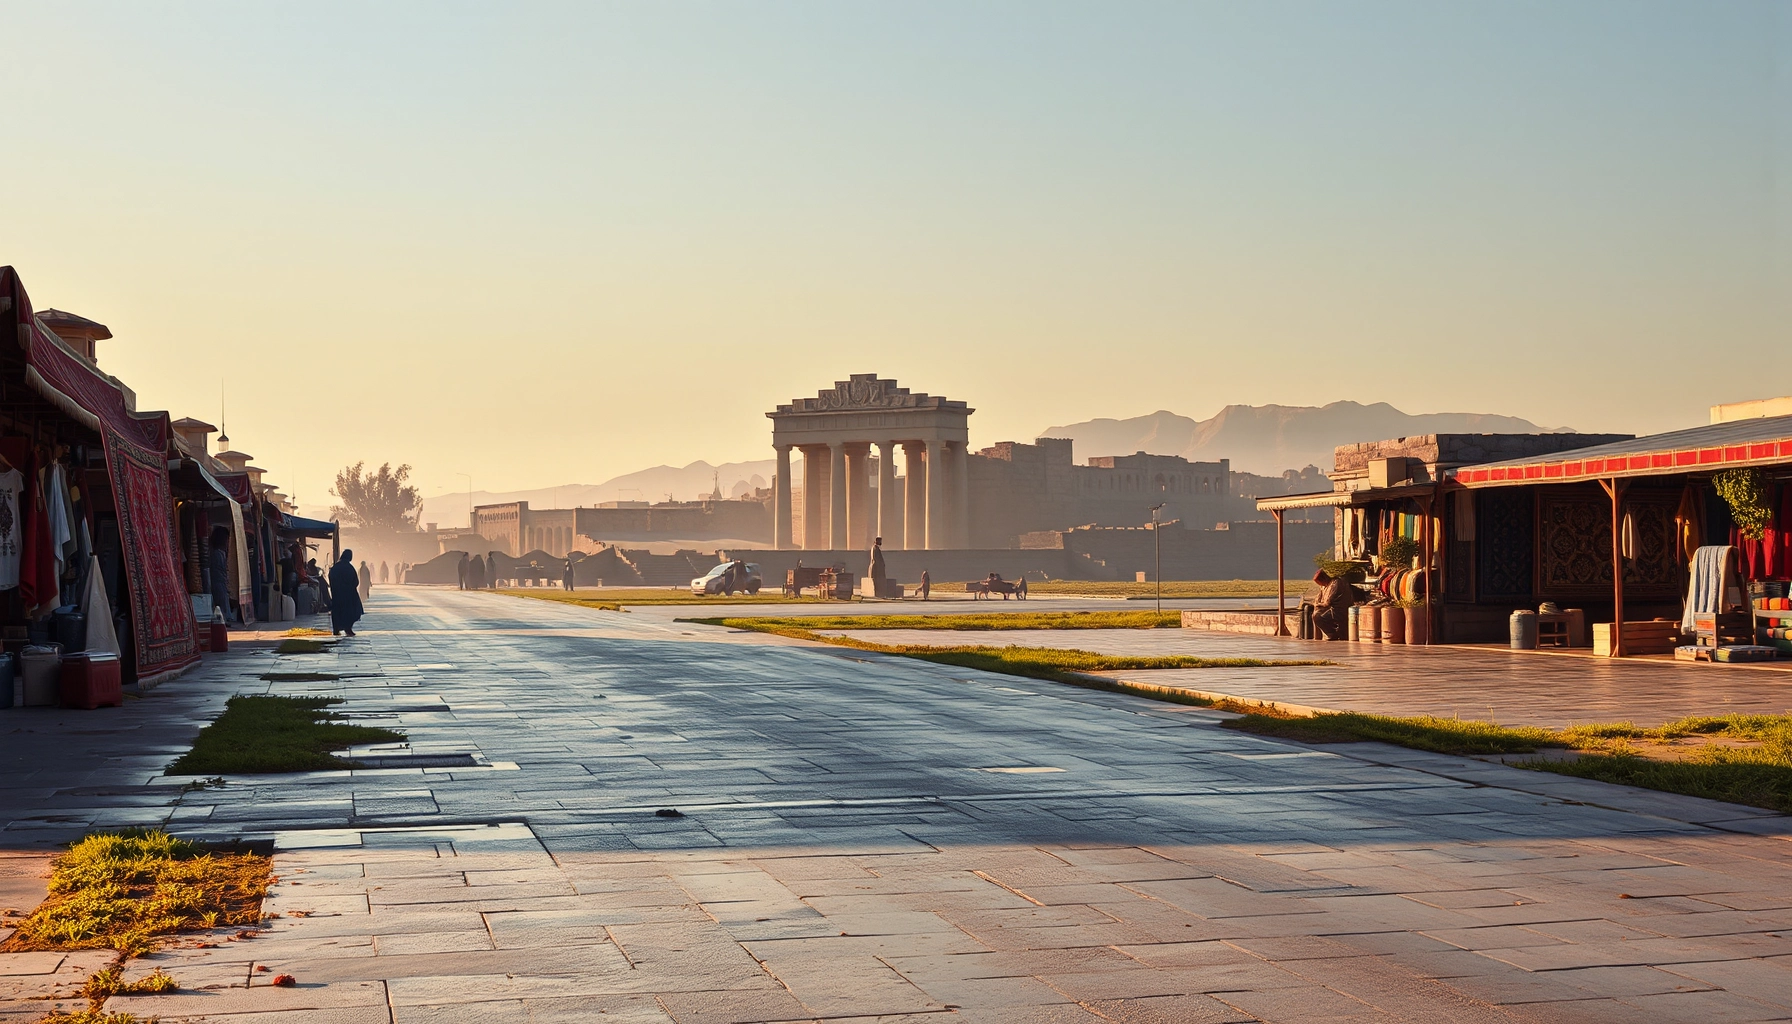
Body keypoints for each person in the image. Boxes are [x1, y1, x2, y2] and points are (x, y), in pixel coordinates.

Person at [1311, 569, 1357, 641]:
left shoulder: (1336, 583)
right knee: (1313, 612)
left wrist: (1318, 605)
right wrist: (1317, 603)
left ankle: (1331, 634)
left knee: (1317, 616)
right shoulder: (1326, 586)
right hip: (1331, 608)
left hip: (1339, 610)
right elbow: (1319, 598)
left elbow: (1327, 602)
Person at [328, 550, 364, 636]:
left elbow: (331, 579)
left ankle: (336, 629)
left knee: (337, 611)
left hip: (337, 594)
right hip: (348, 594)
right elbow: (355, 581)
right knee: (350, 611)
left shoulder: (335, 567)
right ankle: (348, 628)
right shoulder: (349, 567)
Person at [208, 526, 233, 623]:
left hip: (219, 581)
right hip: (218, 582)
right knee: (221, 601)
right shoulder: (218, 554)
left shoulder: (218, 553)